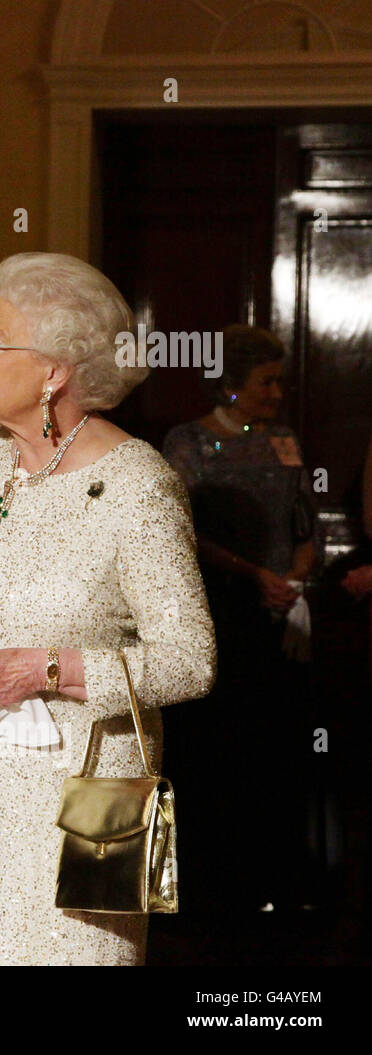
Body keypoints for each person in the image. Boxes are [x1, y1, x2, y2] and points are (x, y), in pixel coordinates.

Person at [0, 252, 215, 965]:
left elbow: (191, 661)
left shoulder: (138, 487)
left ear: (53, 371)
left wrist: (47, 668)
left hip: (97, 804)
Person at [162, 325, 317, 911]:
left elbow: (305, 522)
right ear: (229, 385)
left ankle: (275, 883)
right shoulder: (189, 443)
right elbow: (180, 531)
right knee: (219, 753)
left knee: (277, 755)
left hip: (281, 614)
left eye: (280, 381)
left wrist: (296, 577)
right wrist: (254, 576)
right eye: (266, 381)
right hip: (219, 613)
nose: (277, 393)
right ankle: (211, 890)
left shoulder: (282, 439)